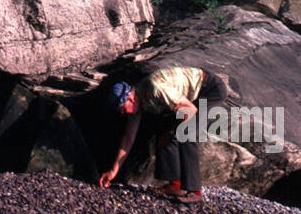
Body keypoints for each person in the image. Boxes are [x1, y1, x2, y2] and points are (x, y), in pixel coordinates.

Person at [99, 66, 233, 204]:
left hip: (210, 89)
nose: (123, 113)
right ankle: (175, 185)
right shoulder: (138, 101)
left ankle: (195, 192)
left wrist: (172, 133)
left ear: (130, 99)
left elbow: (190, 111)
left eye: (122, 109)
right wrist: (113, 170)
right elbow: (128, 138)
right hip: (189, 96)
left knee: (186, 133)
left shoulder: (156, 89)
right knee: (163, 131)